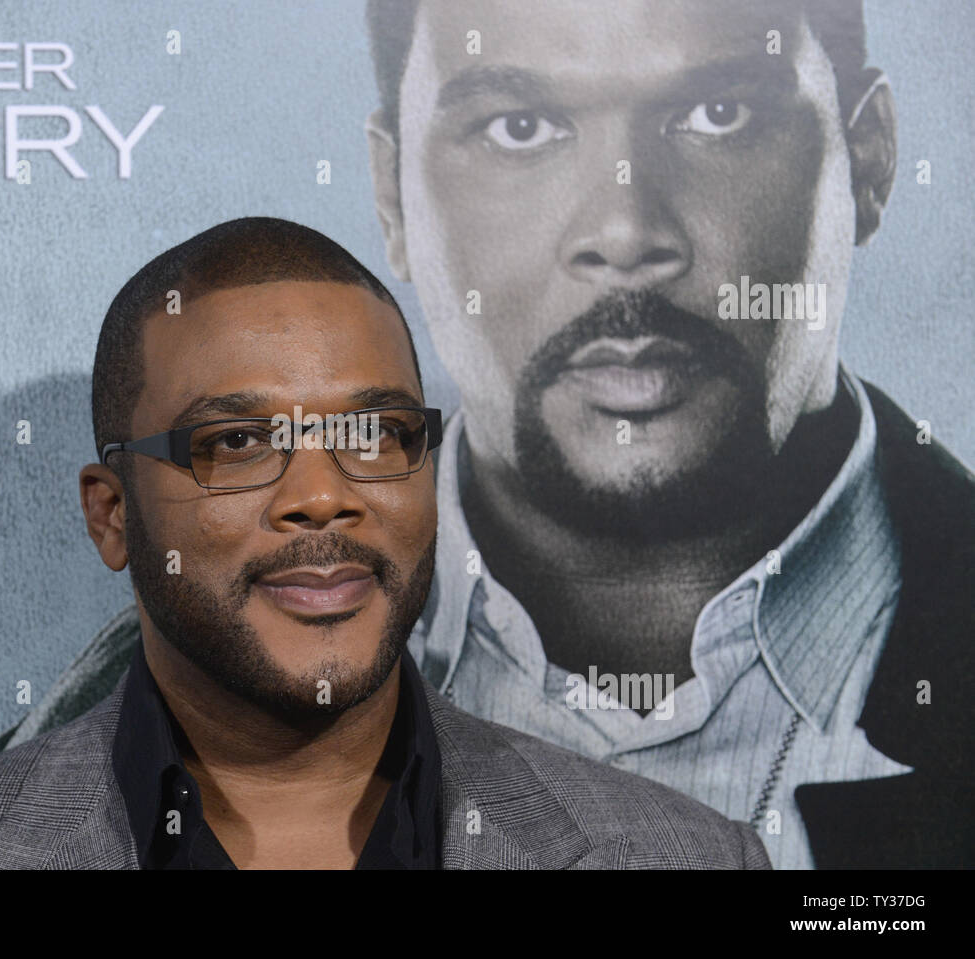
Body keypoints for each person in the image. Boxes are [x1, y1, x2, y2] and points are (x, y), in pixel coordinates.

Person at [0, 218, 769, 869]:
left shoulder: (683, 857)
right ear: (111, 514)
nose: (321, 497)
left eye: (374, 432)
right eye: (237, 443)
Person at [359, 0, 973, 867]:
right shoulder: (152, 730)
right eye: (521, 127)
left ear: (868, 159)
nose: (626, 232)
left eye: (719, 115)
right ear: (392, 197)